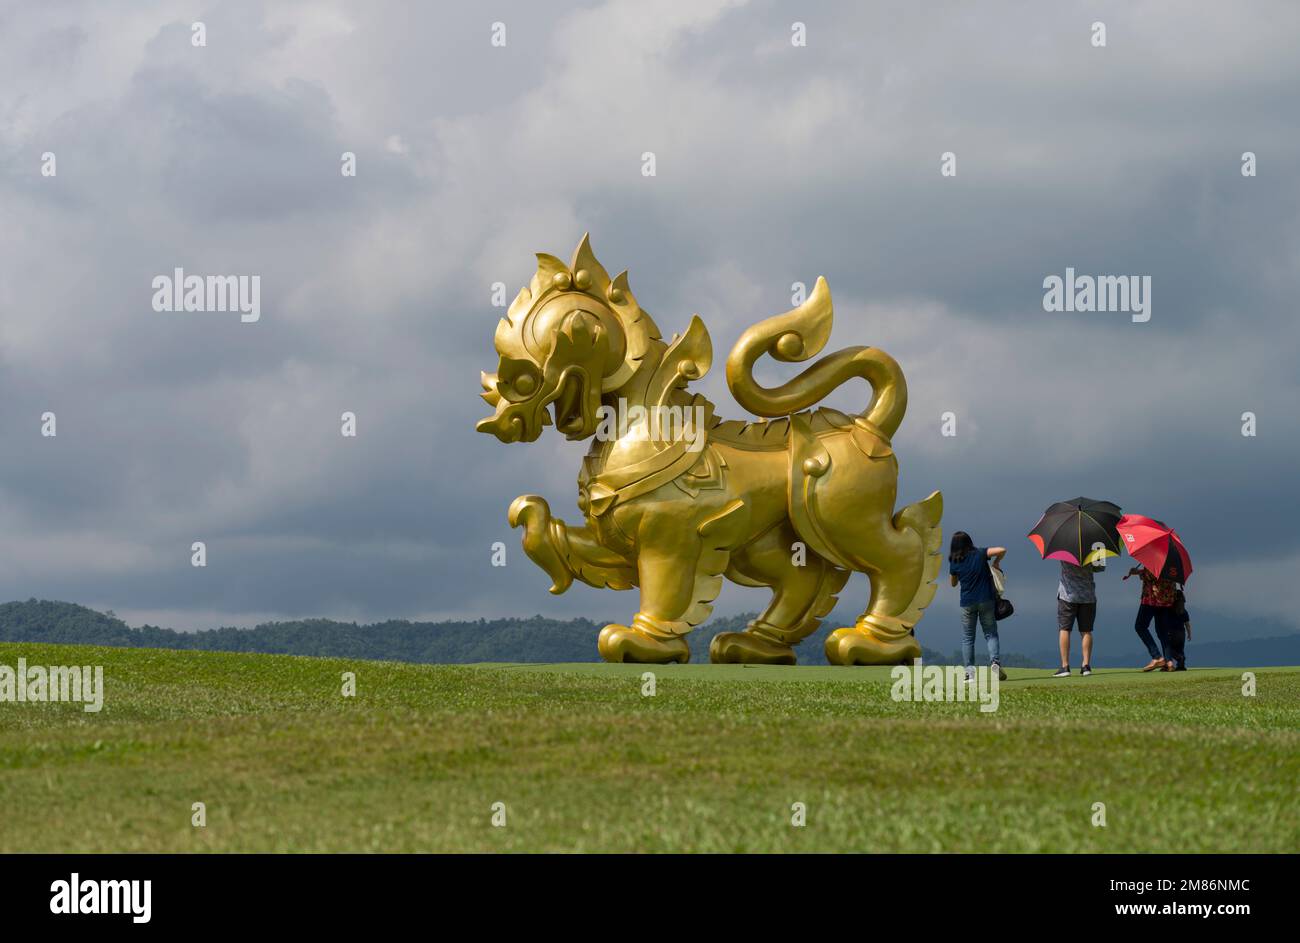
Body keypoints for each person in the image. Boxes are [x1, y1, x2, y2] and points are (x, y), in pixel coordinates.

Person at [948, 532, 1008, 682]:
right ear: (969, 542)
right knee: (990, 633)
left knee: (968, 638)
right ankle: (995, 662)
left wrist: (957, 573)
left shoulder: (955, 561)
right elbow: (1002, 549)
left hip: (967, 602)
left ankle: (969, 674)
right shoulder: (980, 553)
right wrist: (996, 562)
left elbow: (953, 584)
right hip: (986, 600)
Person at [1124, 564, 1180, 672]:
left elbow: (1151, 575)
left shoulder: (1156, 558)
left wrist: (1137, 572)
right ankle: (1169, 661)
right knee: (1163, 631)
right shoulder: (1171, 560)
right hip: (1166, 599)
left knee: (1140, 626)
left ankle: (1157, 657)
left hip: (1152, 598)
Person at [1055, 558, 1103, 677]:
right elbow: (1100, 568)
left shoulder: (1063, 543)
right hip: (1088, 595)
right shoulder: (1098, 544)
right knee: (1086, 631)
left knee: (1065, 629)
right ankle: (1086, 666)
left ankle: (1065, 666)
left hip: (1067, 595)